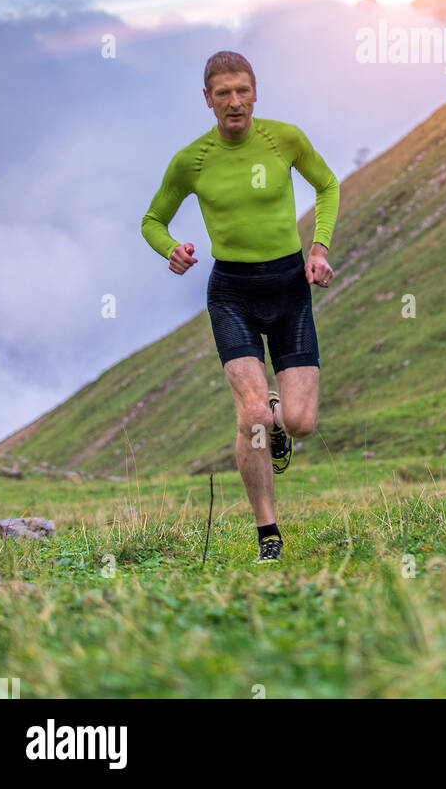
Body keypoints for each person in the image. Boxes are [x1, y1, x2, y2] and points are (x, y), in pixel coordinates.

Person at [141, 50, 339, 562]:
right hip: (232, 293)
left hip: (289, 288)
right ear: (207, 100)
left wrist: (319, 249)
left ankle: (277, 416)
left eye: (242, 90)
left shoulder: (285, 139)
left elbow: (327, 184)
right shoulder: (191, 161)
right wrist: (171, 249)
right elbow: (152, 220)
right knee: (251, 415)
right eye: (223, 93)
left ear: (255, 93)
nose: (234, 102)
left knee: (300, 423)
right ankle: (267, 532)